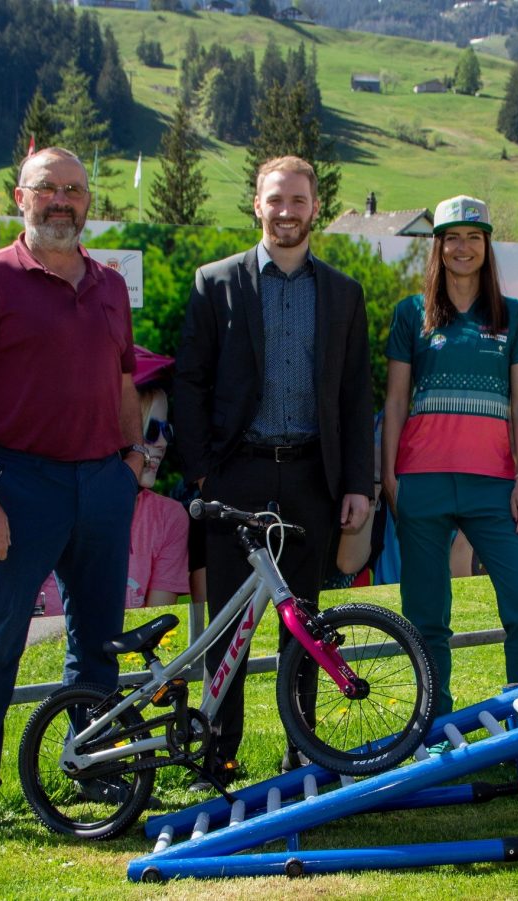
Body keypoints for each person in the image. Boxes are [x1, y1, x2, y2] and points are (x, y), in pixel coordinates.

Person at [0, 147, 143, 835]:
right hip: (18, 483)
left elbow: (122, 384)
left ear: (90, 201)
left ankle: (93, 765)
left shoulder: (110, 285)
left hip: (101, 482)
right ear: (19, 196)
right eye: (47, 188)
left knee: (98, 643)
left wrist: (132, 463)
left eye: (75, 190)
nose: (62, 200)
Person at [173, 155, 374, 784]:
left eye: (298, 201)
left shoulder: (342, 293)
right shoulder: (217, 282)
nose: (286, 212)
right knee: (228, 623)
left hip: (313, 477)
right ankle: (219, 754)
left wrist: (356, 485)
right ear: (256, 205)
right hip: (237, 477)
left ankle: (303, 753)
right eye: (275, 200)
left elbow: (354, 396)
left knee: (305, 622)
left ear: (316, 207)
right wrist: (204, 473)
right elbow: (190, 383)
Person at [381, 195, 518, 714]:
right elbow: (394, 400)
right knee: (426, 613)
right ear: (438, 246)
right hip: (422, 480)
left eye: (473, 238)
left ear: (486, 246)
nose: (462, 248)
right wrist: (388, 477)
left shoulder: (515, 315)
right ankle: (434, 723)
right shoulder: (411, 313)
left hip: (497, 484)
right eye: (452, 237)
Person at [34, 346, 192, 615]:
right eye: (152, 430)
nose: (164, 442)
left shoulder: (169, 518)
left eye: (168, 430)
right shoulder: (47, 510)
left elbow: (155, 627)